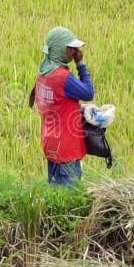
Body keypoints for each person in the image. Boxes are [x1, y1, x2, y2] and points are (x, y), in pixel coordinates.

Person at [32, 26, 94, 186]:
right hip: (66, 146)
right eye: (71, 48)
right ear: (60, 49)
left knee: (54, 193)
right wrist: (80, 63)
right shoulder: (62, 77)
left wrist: (75, 108)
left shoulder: (43, 73)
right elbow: (88, 93)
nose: (75, 51)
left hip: (51, 143)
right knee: (70, 195)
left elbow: (54, 102)